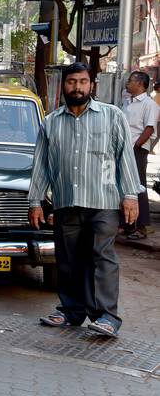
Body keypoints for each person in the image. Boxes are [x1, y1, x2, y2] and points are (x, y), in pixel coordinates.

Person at [29, 62, 140, 339]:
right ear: (63, 86)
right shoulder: (51, 122)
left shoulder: (112, 116)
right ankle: (71, 311)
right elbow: (41, 165)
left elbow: (124, 157)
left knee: (102, 256)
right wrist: (34, 201)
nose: (76, 87)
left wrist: (130, 196)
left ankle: (107, 316)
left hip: (103, 201)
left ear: (92, 85)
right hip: (66, 201)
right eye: (71, 82)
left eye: (82, 81)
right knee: (67, 259)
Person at [121, 70, 158, 239]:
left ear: (140, 84)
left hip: (137, 150)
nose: (127, 83)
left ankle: (141, 226)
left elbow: (149, 128)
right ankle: (127, 224)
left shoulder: (150, 104)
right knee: (124, 185)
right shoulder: (127, 102)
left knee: (138, 185)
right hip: (124, 148)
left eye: (130, 81)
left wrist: (136, 145)